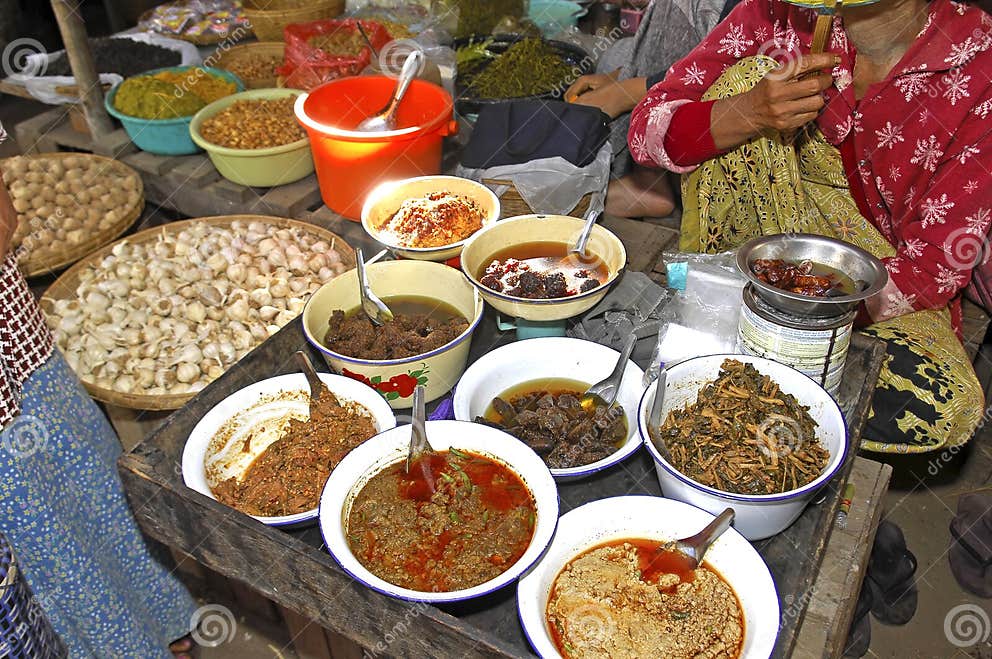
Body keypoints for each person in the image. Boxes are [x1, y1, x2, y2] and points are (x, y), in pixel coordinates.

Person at [629, 0, 992, 452]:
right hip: (758, 245)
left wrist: (792, 315)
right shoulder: (779, 15)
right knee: (743, 78)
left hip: (870, 283)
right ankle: (744, 350)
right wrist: (749, 112)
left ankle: (747, 358)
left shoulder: (979, 70)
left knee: (938, 405)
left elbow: (934, 267)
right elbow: (646, 132)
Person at [0, 124, 198, 657]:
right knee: (41, 539)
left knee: (94, 477)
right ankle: (123, 647)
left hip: (14, 335)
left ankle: (162, 621)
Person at [566, 0, 743, 218]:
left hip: (728, 95)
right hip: (707, 59)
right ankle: (651, 176)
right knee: (616, 54)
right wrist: (619, 77)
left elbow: (723, 63)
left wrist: (623, 94)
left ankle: (648, 179)